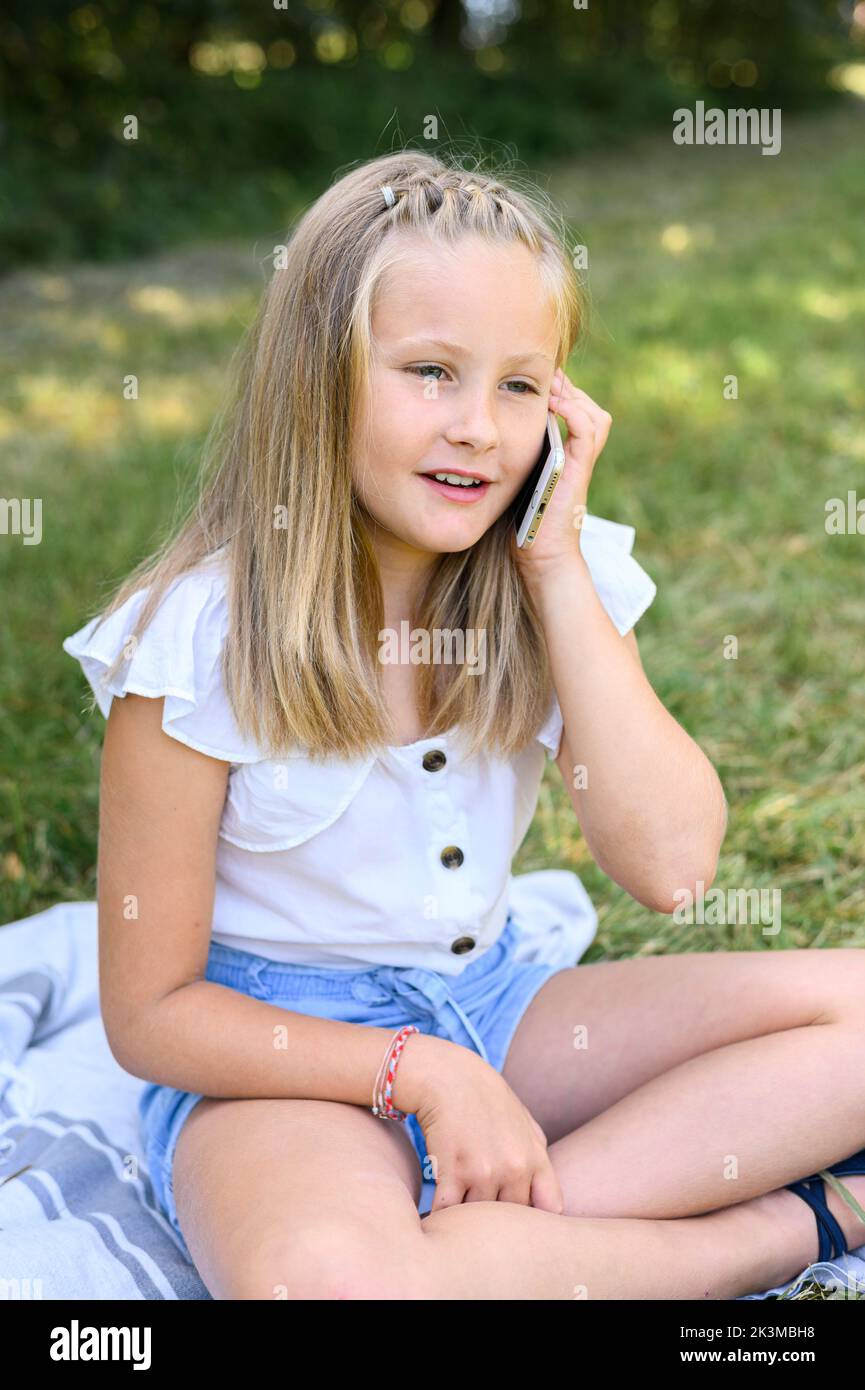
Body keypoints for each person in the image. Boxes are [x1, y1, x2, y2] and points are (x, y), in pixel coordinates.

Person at [62, 149, 865, 1300]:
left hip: (489, 1002)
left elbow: (676, 867)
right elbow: (151, 1014)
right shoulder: (193, 641)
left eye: (520, 386)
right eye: (431, 371)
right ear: (319, 378)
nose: (480, 430)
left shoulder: (556, 578)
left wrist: (552, 571)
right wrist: (413, 1070)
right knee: (335, 1289)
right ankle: (784, 1227)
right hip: (281, 1066)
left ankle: (484, 1239)